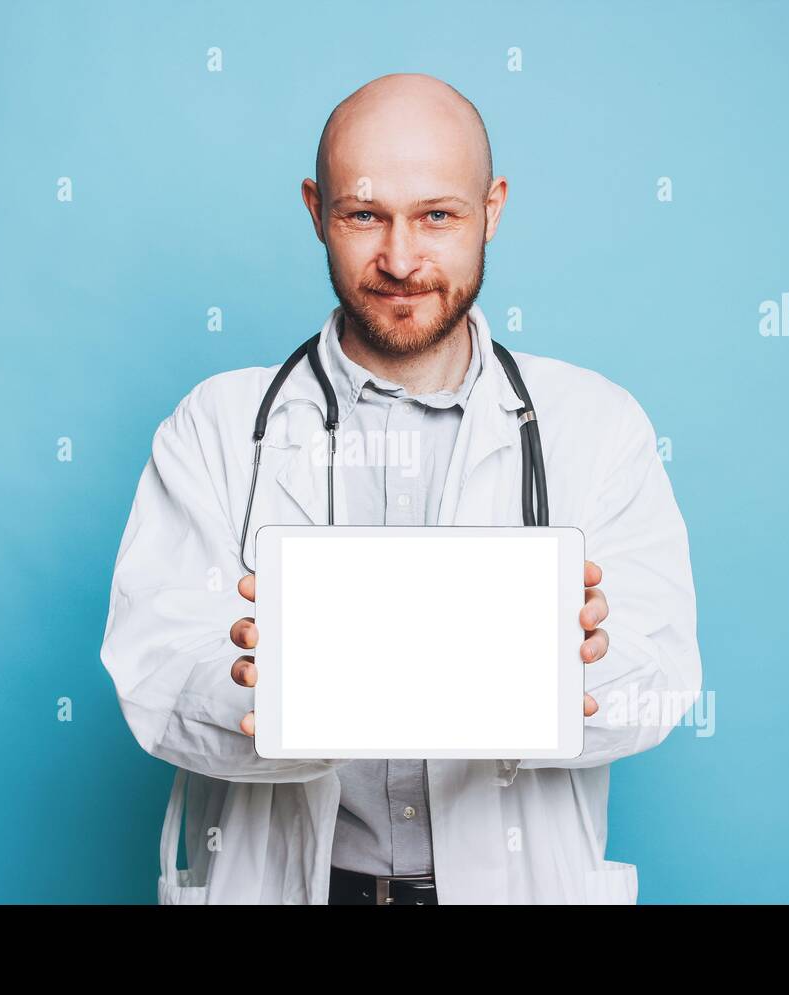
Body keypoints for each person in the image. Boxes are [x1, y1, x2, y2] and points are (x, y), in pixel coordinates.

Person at [99, 73, 702, 904]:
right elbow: (154, 676)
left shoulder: (595, 426)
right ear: (317, 209)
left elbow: (659, 680)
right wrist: (488, 657)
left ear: (491, 210)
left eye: (438, 216)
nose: (401, 259)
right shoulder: (218, 424)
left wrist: (555, 673)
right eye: (364, 215)